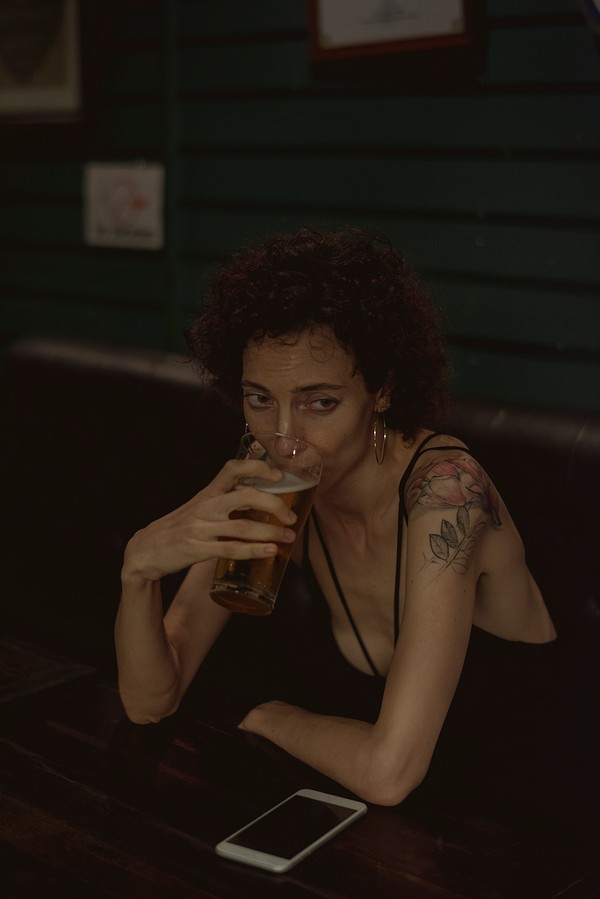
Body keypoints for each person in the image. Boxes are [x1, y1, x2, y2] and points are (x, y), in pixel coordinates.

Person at [115, 227, 562, 812]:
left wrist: (271, 717)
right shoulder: (272, 480)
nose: (284, 437)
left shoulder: (448, 492)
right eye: (259, 399)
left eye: (320, 402)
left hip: (520, 823)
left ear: (383, 390)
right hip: (386, 819)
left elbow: (388, 773)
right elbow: (150, 701)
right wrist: (138, 572)